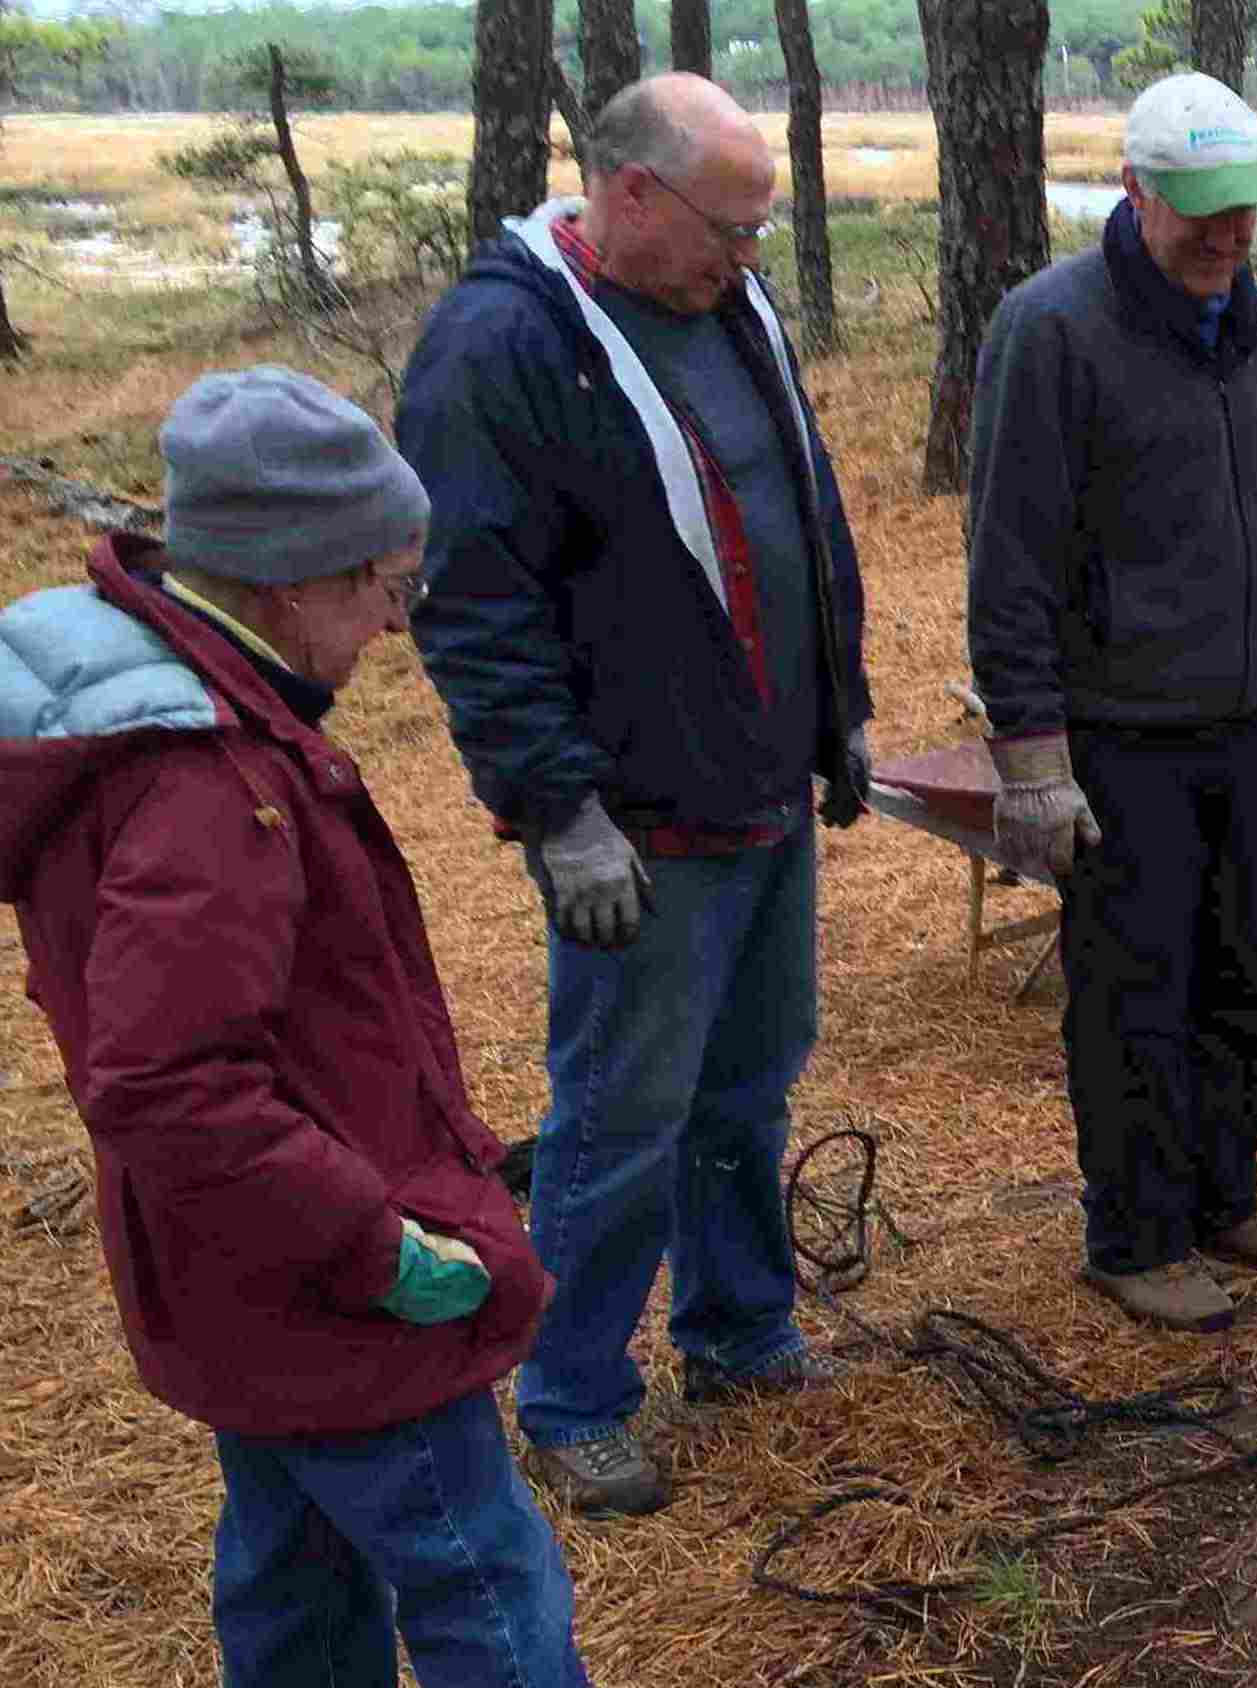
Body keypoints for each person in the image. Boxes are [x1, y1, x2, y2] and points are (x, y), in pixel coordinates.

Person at [0, 367, 809, 1688]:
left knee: (295, 1576)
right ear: (288, 576)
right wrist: (375, 1244)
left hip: (232, 1280)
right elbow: (166, 1079)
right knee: (487, 1590)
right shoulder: (208, 784)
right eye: (380, 585)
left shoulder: (182, 712)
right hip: (325, 1284)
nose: (393, 621)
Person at [398, 73, 874, 1516]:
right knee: (621, 1110)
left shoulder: (729, 304)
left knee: (749, 1080)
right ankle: (571, 1393)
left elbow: (798, 508)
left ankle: (738, 1328)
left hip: (761, 781)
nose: (751, 254)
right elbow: (472, 605)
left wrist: (836, 713)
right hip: (637, 819)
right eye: (732, 226)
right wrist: (560, 811)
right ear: (631, 194)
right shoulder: (502, 345)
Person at [966, 71, 1257, 1333]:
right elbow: (1009, 561)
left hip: (1231, 725)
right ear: (1134, 190)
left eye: (1245, 210)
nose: (1228, 234)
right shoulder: (1053, 331)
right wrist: (1032, 761)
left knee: (1247, 984)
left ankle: (1222, 1199)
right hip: (1115, 736)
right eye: (1202, 211)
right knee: (1135, 1001)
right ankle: (1133, 1237)